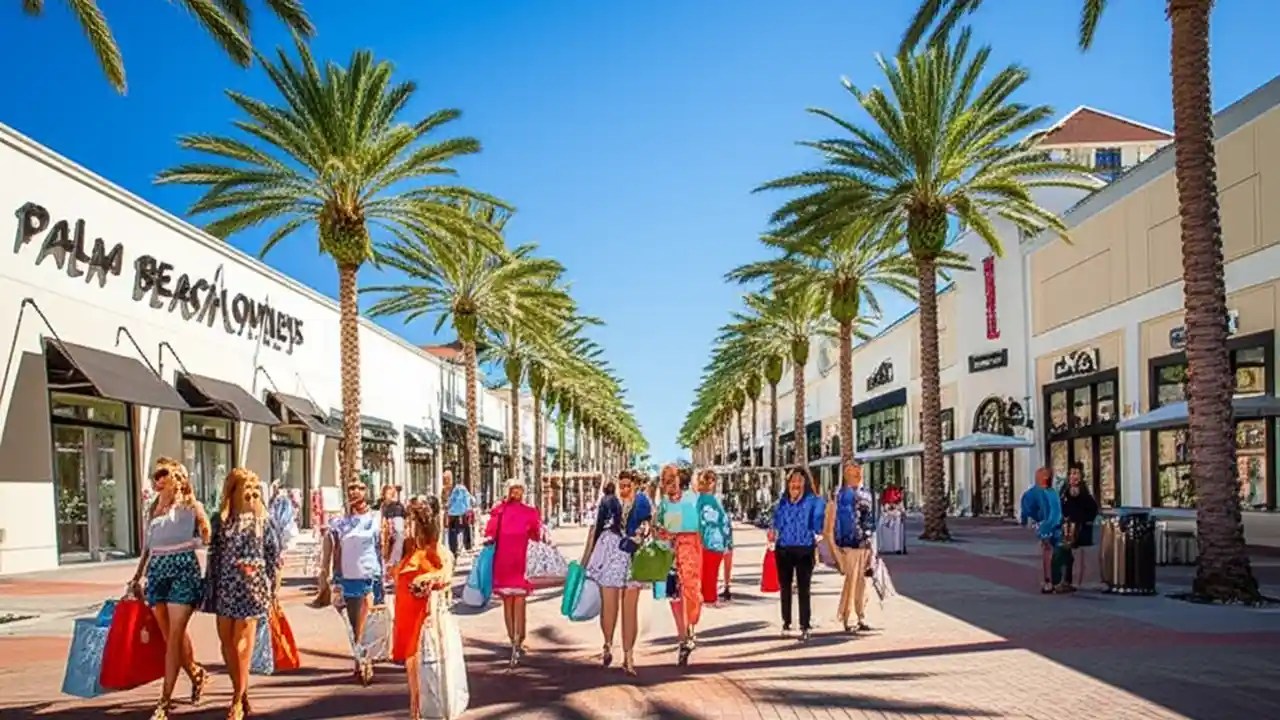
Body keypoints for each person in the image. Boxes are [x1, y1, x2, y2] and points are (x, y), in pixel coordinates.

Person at [129, 459, 212, 720]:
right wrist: (136, 577)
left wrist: (202, 535)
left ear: (176, 477)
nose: (157, 480)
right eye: (155, 475)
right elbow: (147, 548)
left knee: (175, 636)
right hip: (157, 572)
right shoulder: (154, 509)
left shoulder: (191, 506)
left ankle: (164, 702)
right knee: (169, 637)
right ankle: (197, 674)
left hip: (183, 571)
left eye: (162, 474)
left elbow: (209, 535)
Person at [203, 468, 281, 720]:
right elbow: (212, 556)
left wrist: (272, 589)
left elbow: (273, 556)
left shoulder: (263, 521)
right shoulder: (220, 520)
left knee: (241, 644)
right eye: (246, 488)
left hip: (252, 588)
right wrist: (210, 588)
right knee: (226, 643)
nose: (251, 494)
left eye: (255, 489)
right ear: (233, 491)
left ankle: (236, 700)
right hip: (226, 587)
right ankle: (242, 691)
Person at [584, 470, 652, 675]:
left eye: (627, 485)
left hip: (632, 556)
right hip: (610, 554)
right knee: (609, 605)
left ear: (634, 485)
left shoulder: (643, 502)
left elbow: (649, 525)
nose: (623, 489)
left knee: (630, 609)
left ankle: (629, 655)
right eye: (621, 484)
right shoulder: (609, 502)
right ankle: (607, 644)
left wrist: (641, 535)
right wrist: (586, 559)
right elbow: (596, 528)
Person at [393, 496, 452, 720]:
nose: (408, 526)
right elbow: (395, 569)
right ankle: (414, 707)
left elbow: (446, 573)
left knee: (423, 658)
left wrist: (427, 579)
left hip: (425, 611)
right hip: (405, 609)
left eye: (412, 521)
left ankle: (422, 707)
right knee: (410, 658)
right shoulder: (407, 545)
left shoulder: (434, 547)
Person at [329, 478, 386, 683]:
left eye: (359, 487)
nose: (354, 491)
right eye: (351, 487)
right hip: (347, 577)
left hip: (368, 576)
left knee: (365, 623)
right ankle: (359, 659)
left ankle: (365, 662)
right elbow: (337, 551)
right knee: (353, 626)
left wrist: (384, 576)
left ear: (367, 491)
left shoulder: (376, 519)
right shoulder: (340, 523)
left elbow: (382, 547)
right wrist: (334, 579)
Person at [485, 477, 542, 667]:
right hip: (508, 561)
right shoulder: (502, 510)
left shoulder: (504, 511)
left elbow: (490, 534)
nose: (516, 493)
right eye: (514, 489)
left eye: (519, 489)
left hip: (516, 561)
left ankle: (516, 639)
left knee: (515, 601)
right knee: (512, 601)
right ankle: (515, 639)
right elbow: (536, 535)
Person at [770, 467, 825, 641]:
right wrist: (771, 532)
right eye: (792, 480)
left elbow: (817, 524)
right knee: (785, 587)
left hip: (805, 548)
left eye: (799, 480)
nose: (795, 483)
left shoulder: (813, 501)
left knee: (804, 588)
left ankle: (805, 624)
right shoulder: (782, 502)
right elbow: (776, 522)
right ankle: (786, 622)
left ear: (805, 483)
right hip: (784, 548)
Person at [655, 464, 702, 666]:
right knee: (675, 597)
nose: (670, 483)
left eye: (672, 478)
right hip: (671, 554)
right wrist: (661, 533)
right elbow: (658, 528)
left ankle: (691, 628)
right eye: (665, 480)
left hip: (691, 551)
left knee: (692, 593)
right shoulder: (664, 504)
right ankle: (682, 638)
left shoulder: (693, 497)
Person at [824, 463, 876, 633]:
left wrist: (872, 544)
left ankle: (860, 615)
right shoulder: (841, 497)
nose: (857, 476)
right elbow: (832, 524)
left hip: (863, 544)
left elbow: (870, 520)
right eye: (853, 473)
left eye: (858, 473)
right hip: (849, 546)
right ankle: (848, 616)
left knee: (861, 582)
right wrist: (834, 548)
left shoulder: (865, 494)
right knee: (852, 582)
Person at [1020, 467, 1065, 594]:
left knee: (1057, 553)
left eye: (1047, 475)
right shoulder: (1036, 492)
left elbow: (1057, 509)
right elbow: (1027, 507)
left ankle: (1056, 580)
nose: (1045, 478)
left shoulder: (1051, 492)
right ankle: (1049, 581)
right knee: (1048, 552)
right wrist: (1036, 521)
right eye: (1043, 476)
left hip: (1056, 526)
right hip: (1047, 527)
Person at [695, 469, 731, 608]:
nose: (710, 484)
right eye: (707, 481)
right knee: (710, 570)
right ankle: (709, 597)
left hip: (715, 541)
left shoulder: (705, 500)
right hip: (711, 540)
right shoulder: (705, 501)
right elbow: (701, 521)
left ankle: (709, 596)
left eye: (712, 481)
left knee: (711, 570)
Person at [1060, 462, 1100, 590]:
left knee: (1077, 554)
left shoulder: (1084, 492)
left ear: (1081, 476)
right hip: (1067, 527)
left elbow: (1093, 509)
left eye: (1076, 473)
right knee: (1067, 553)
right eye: (1071, 473)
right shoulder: (1065, 489)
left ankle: (1077, 580)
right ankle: (1068, 580)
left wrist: (1086, 520)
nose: (1073, 476)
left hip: (1080, 527)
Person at [445, 472, 475, 557]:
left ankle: (454, 548)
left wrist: (448, 508)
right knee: (466, 528)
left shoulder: (454, 490)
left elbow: (450, 501)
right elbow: (471, 500)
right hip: (464, 512)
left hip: (453, 513)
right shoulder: (463, 489)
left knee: (453, 530)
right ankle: (468, 545)